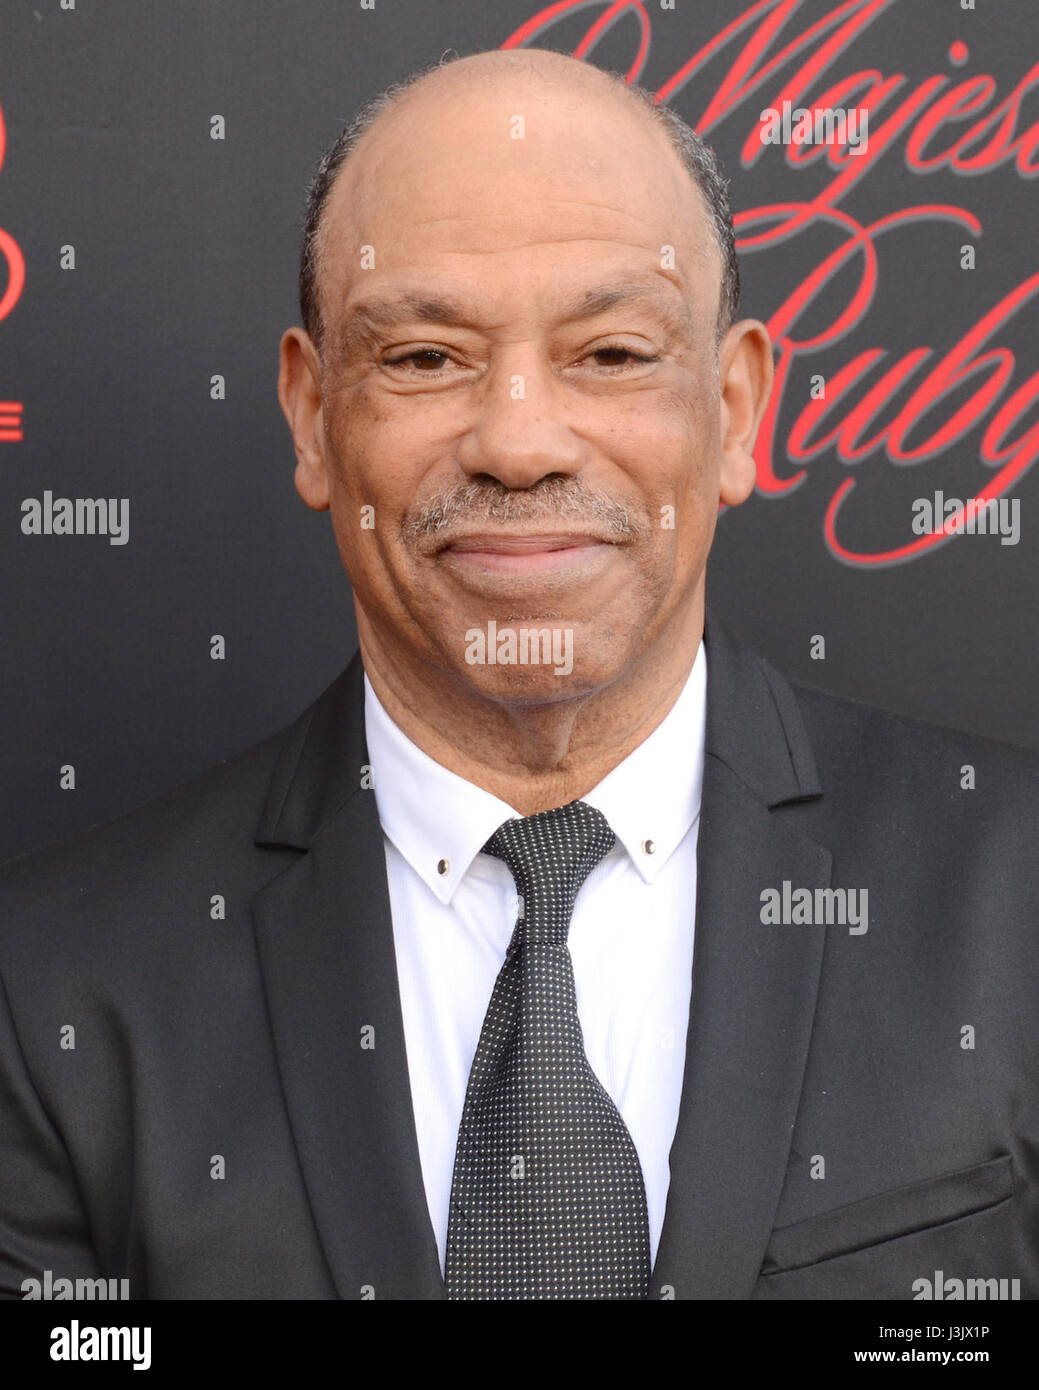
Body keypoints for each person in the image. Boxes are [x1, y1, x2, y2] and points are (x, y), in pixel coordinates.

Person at [1, 47, 1036, 1302]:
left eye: (610, 353)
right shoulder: (53, 992)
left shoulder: (1013, 893)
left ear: (738, 407)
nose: (520, 440)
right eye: (425, 357)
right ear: (310, 413)